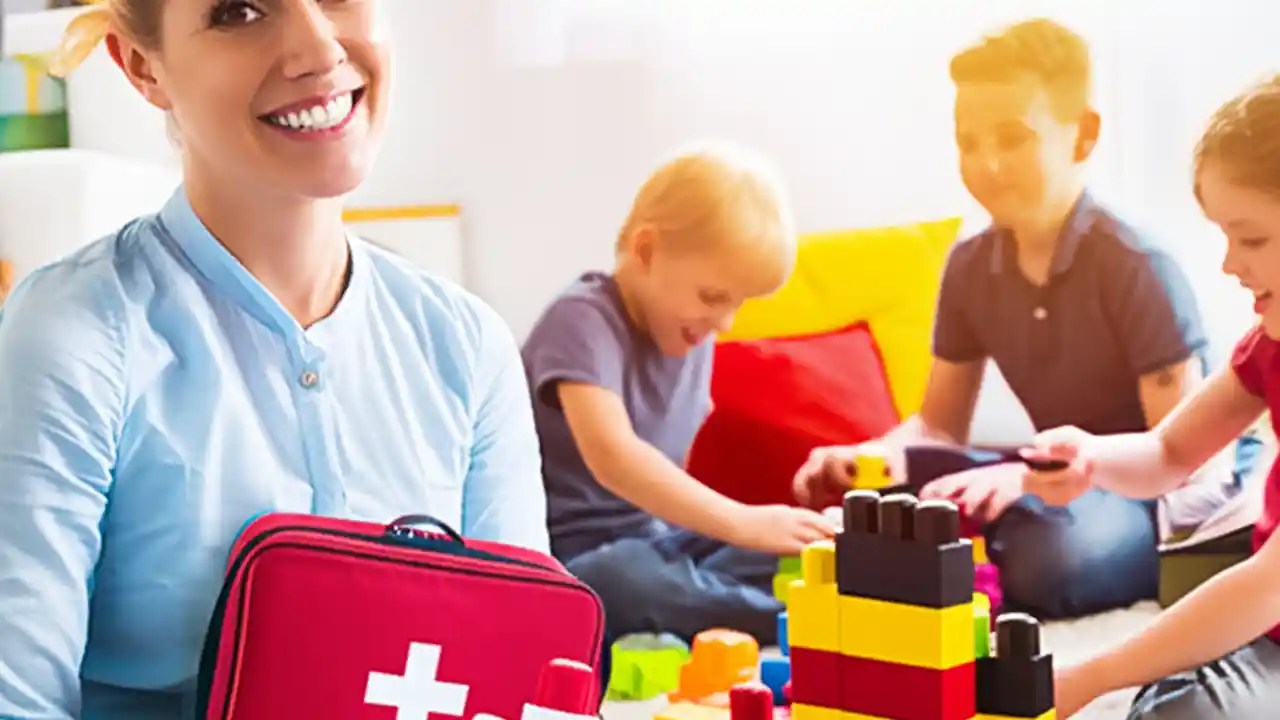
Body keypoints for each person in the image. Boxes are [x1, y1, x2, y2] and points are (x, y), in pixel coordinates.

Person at [0, 1, 547, 718]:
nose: (318, 49)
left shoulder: (468, 347)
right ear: (142, 67)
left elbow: (520, 674)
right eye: (239, 11)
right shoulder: (71, 334)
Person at [792, 17, 1212, 620]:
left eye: (1012, 139)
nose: (986, 163)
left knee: (1056, 556)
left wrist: (1024, 478)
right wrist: (869, 455)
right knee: (877, 499)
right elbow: (938, 429)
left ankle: (936, 556)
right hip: (1044, 474)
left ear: (1083, 136)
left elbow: (1177, 455)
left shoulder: (1134, 265)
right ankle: (930, 549)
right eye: (969, 142)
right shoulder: (969, 267)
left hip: (1142, 496)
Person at [1030, 72, 1280, 720]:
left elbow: (1267, 587)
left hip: (1267, 603)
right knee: (1177, 706)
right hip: (1271, 637)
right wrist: (1091, 460)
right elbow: (1170, 451)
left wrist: (1093, 675)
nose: (1229, 263)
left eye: (1251, 238)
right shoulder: (1268, 346)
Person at [521, 142, 836, 652]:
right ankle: (790, 621)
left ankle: (802, 596)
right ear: (646, 251)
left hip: (658, 542)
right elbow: (614, 459)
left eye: (737, 304)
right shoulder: (581, 318)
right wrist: (744, 522)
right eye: (713, 297)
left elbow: (677, 499)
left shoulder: (690, 334)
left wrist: (767, 530)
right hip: (574, 559)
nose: (725, 323)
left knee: (798, 544)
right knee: (624, 580)